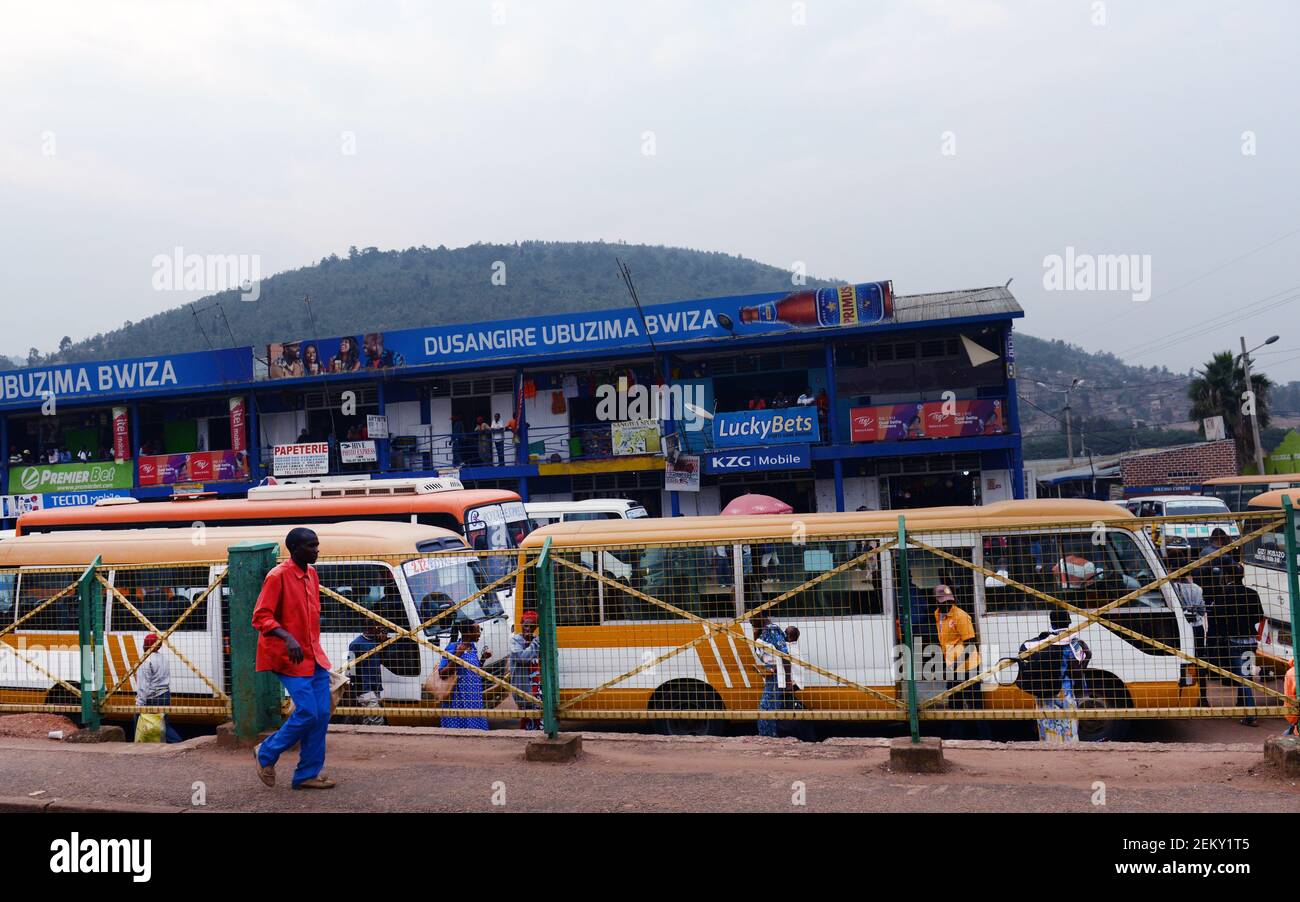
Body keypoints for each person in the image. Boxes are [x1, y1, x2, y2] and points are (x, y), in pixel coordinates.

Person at [251, 528, 337, 790]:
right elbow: (261, 616)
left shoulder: (312, 574)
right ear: (295, 549)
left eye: (317, 545)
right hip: (288, 657)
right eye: (311, 546)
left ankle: (307, 774)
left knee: (321, 714)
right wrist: (288, 637)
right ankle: (266, 752)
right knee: (309, 712)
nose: (316, 550)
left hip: (313, 655)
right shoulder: (277, 576)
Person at [1208, 559, 1264, 725]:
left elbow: (1217, 618)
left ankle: (1250, 715)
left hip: (1233, 640)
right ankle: (1242, 703)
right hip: (1250, 640)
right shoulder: (1252, 593)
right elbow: (1259, 616)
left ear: (1227, 576)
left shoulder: (1223, 594)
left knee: (1242, 676)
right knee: (1246, 674)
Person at [933, 584, 990, 739]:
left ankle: (985, 739)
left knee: (975, 705)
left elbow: (970, 645)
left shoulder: (961, 616)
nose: (947, 604)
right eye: (943, 602)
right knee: (954, 704)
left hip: (969, 666)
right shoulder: (937, 615)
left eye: (949, 601)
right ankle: (956, 738)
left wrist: (954, 666)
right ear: (937, 601)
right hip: (952, 665)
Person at [438, 621, 493, 730]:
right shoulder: (453, 647)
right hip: (458, 698)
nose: (479, 634)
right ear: (468, 633)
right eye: (477, 631)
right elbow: (442, 673)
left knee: (475, 727)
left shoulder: (472, 647)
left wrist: (483, 659)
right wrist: (458, 654)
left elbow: (473, 671)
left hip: (474, 697)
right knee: (459, 728)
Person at [134, 633, 181, 743]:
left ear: (145, 645)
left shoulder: (146, 661)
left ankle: (178, 743)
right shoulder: (163, 658)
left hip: (153, 698)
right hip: (165, 695)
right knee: (163, 724)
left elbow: (143, 686)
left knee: (139, 722)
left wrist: (139, 704)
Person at [751, 611, 790, 738]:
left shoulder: (772, 630)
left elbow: (784, 655)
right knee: (768, 707)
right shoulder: (763, 631)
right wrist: (755, 634)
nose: (750, 621)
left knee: (767, 708)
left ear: (760, 615)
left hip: (776, 676)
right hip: (770, 675)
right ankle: (768, 736)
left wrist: (788, 679)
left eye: (752, 617)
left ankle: (769, 737)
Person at [347, 623, 388, 726]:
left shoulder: (376, 642)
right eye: (378, 626)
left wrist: (384, 642)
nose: (381, 629)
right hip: (364, 688)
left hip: (375, 686)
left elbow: (384, 659)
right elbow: (349, 669)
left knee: (369, 717)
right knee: (376, 717)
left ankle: (365, 734)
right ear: (370, 628)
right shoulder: (355, 644)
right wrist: (352, 691)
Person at [510, 611, 541, 730]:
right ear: (521, 624)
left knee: (539, 719)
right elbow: (522, 657)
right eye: (526, 625)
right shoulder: (516, 641)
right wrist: (535, 644)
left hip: (537, 687)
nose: (528, 629)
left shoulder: (536, 640)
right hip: (523, 688)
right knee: (527, 719)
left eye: (532, 626)